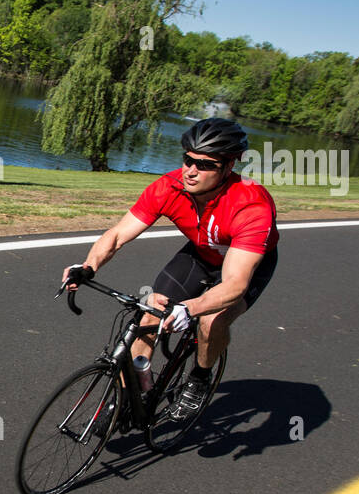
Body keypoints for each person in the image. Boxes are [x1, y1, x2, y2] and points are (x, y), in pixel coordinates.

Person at [62, 117, 279, 422]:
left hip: (246, 266)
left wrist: (189, 308)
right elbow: (117, 235)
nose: (191, 170)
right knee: (150, 309)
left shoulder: (251, 205)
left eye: (204, 165)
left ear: (229, 166)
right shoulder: (169, 186)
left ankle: (200, 379)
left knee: (210, 321)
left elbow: (234, 284)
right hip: (201, 253)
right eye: (188, 159)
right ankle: (134, 391)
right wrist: (88, 266)